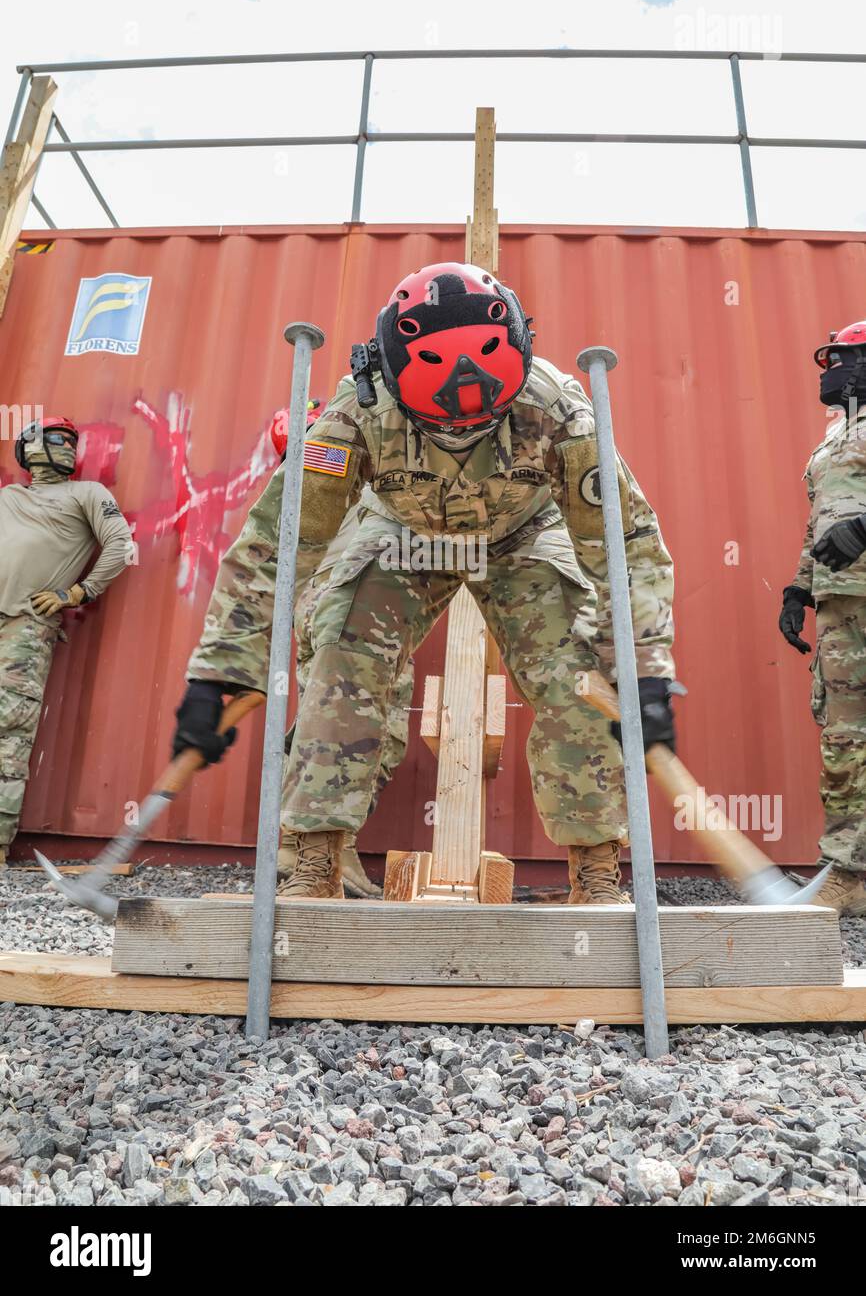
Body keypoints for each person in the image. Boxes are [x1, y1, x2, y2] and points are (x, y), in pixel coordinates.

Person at [173, 262, 677, 903]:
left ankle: (597, 876)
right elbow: (279, 541)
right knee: (341, 652)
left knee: (576, 673)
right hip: (403, 534)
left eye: (478, 420)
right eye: (444, 423)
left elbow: (625, 545)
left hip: (521, 534)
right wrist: (219, 673)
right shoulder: (357, 411)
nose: (460, 428)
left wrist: (648, 670)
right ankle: (316, 866)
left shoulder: (558, 410)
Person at [270, 404, 414, 898]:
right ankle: (330, 851)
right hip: (357, 607)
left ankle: (300, 845)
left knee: (322, 724)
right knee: (373, 731)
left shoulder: (299, 491)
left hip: (323, 605)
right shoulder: (350, 478)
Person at [0, 417, 133, 866]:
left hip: (24, 627)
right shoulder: (8, 497)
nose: (68, 448)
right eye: (58, 439)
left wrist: (77, 592)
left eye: (72, 442)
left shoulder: (88, 494)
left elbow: (120, 544)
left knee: (7, 732)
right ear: (30, 446)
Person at [780, 320, 866, 914]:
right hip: (843, 606)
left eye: (844, 358)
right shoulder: (836, 437)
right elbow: (819, 523)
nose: (832, 370)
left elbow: (849, 523)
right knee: (844, 740)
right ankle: (849, 874)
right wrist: (798, 590)